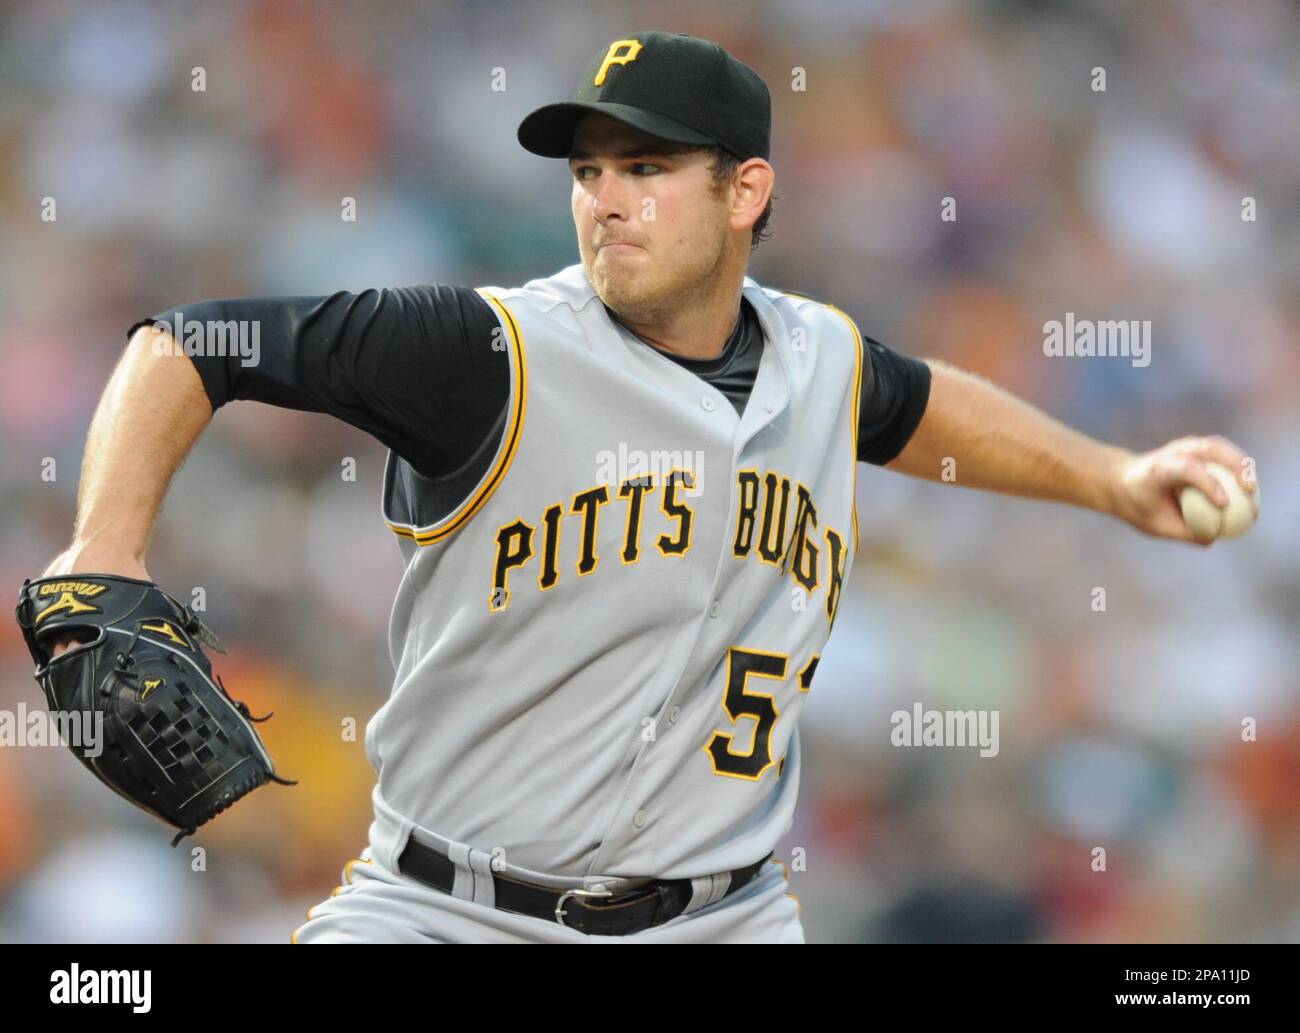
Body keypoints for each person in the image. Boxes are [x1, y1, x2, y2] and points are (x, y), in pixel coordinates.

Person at [39, 31, 1256, 943]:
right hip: (443, 910)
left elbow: (923, 405)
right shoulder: (484, 349)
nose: (604, 197)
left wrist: (1114, 477)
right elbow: (185, 346)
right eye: (588, 169)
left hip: (725, 917)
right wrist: (105, 545)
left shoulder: (819, 361)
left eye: (646, 166)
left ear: (745, 193)